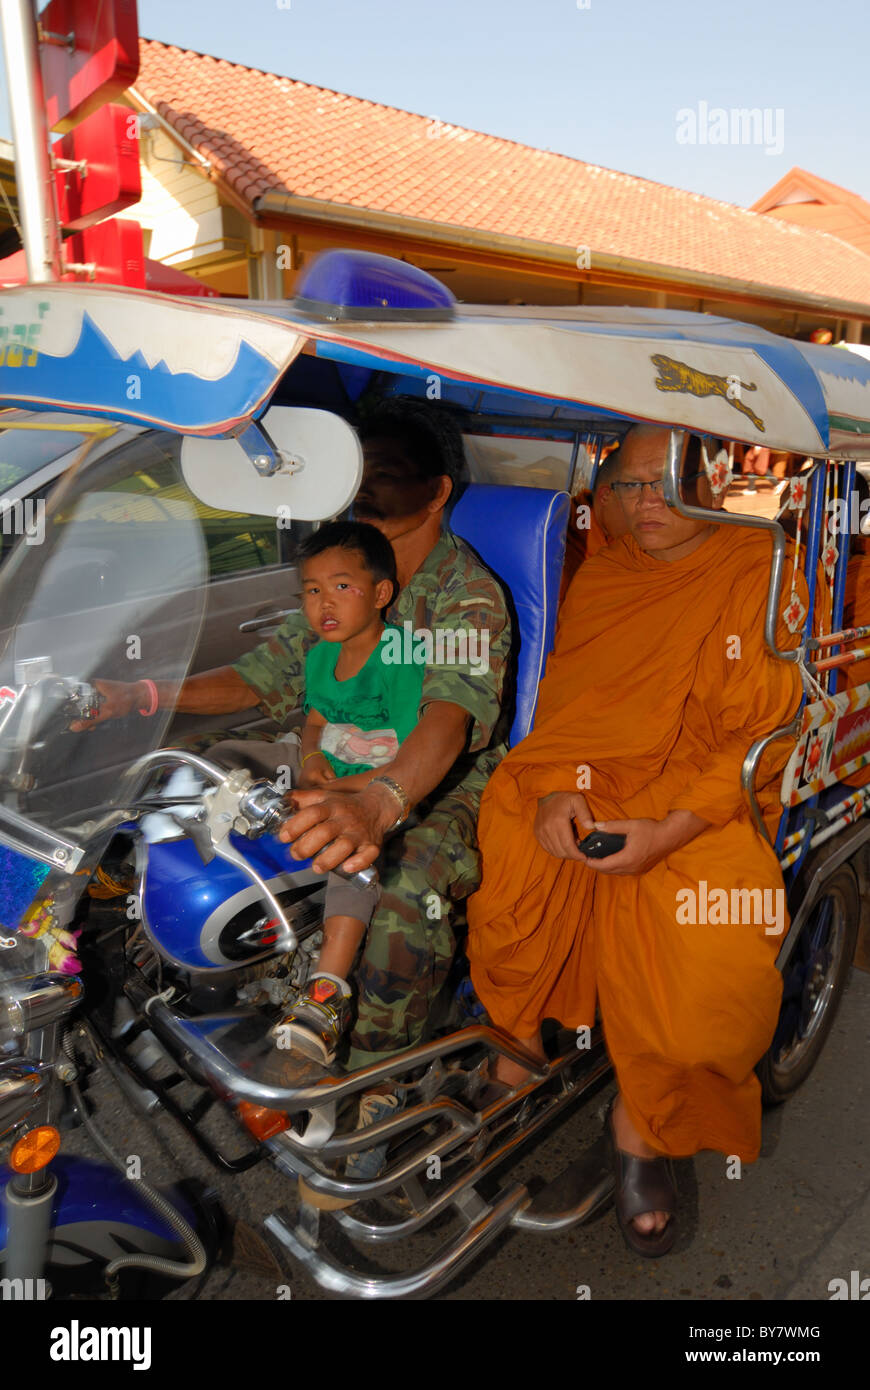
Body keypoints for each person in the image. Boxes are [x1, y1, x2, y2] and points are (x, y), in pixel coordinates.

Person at [74, 403, 511, 1172]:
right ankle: (165, 966)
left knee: (407, 893)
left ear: (437, 492)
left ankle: (379, 1076)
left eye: (384, 476)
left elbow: (449, 716)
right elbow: (261, 675)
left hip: (433, 783)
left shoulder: (462, 594)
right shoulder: (340, 574)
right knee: (187, 775)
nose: (362, 490)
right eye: (355, 474)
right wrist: (138, 696)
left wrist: (381, 800)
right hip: (327, 753)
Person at [466, 425, 805, 1256]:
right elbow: (565, 710)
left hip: (705, 811)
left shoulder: (758, 569)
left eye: (667, 483)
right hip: (592, 782)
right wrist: (552, 791)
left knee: (708, 1012)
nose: (645, 503)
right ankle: (515, 1049)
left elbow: (758, 737)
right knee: (514, 852)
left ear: (711, 483)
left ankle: (642, 1121)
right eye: (627, 486)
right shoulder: (605, 576)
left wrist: (665, 832)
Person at [271, 519, 423, 1062]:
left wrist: (330, 792)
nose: (323, 604)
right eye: (312, 590)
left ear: (381, 594)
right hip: (327, 767)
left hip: (379, 787)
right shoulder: (319, 656)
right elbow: (313, 720)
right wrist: (311, 760)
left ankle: (326, 991)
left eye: (341, 587)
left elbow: (407, 756)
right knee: (227, 762)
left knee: (349, 863)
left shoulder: (401, 655)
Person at [560, 445, 627, 595]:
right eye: (636, 500)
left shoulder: (633, 544)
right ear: (606, 497)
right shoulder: (562, 534)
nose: (645, 510)